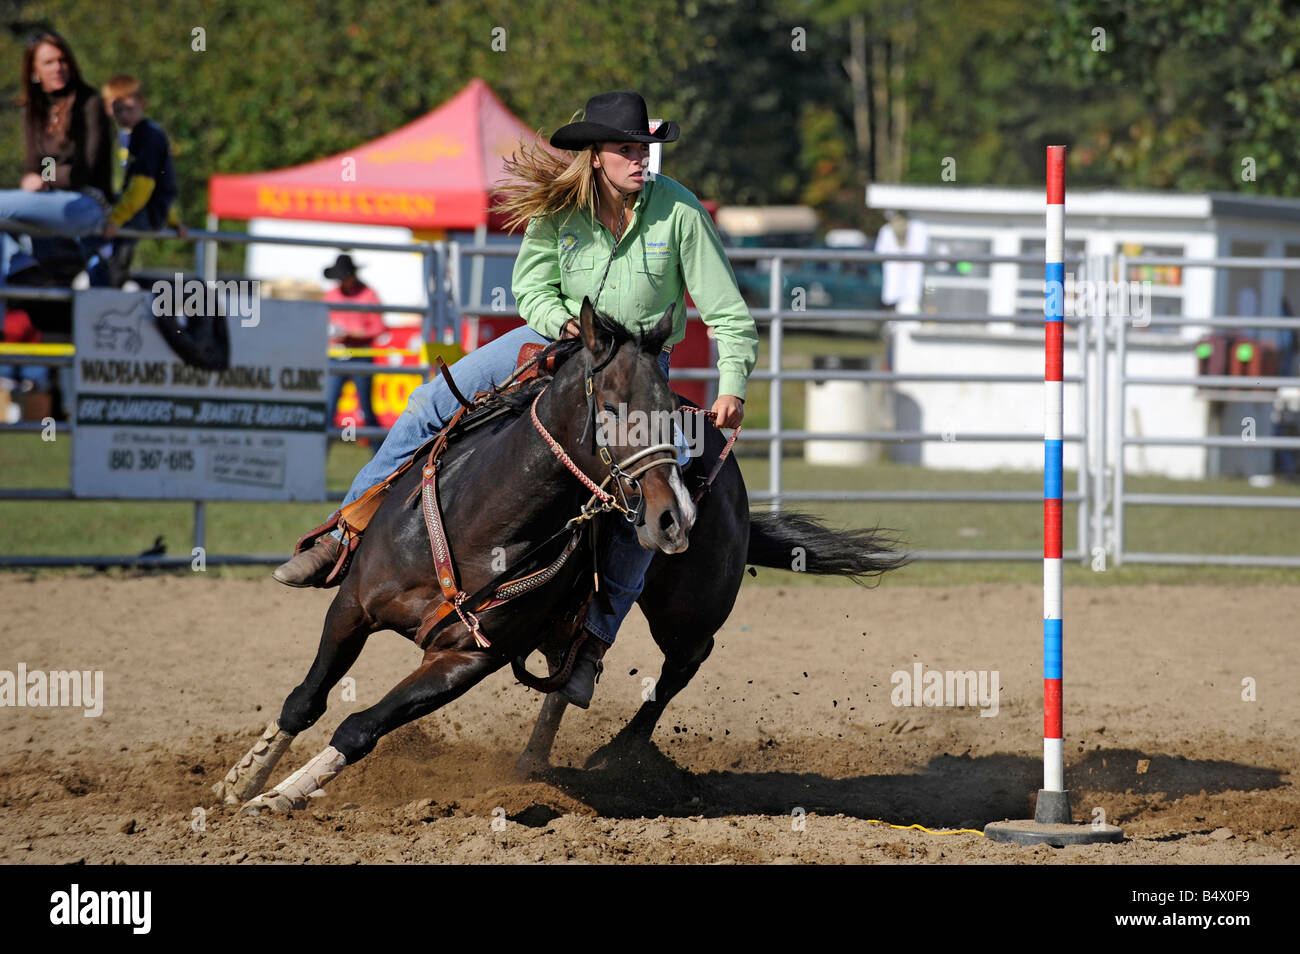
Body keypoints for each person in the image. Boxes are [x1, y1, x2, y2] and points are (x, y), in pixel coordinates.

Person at [273, 91, 758, 708]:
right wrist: (564, 325)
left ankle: (592, 642)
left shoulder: (679, 213)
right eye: (628, 150)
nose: (641, 160)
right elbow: (531, 284)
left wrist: (733, 383)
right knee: (428, 405)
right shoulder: (561, 208)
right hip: (553, 337)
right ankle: (344, 534)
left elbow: (727, 311)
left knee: (644, 497)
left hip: (635, 362)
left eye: (645, 149)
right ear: (595, 157)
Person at [0, 30, 113, 297]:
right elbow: (32, 167)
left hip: (86, 203)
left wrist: (45, 178)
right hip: (50, 203)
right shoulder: (36, 109)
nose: (58, 68)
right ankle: (16, 274)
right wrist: (34, 178)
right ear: (34, 71)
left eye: (62, 60)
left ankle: (20, 265)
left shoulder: (89, 103)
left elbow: (83, 171)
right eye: (49, 62)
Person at [91, 74, 186, 286]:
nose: (123, 116)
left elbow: (144, 186)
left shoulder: (147, 136)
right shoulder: (138, 135)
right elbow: (157, 185)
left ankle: (104, 290)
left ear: (142, 103)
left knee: (94, 238)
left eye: (129, 109)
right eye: (118, 110)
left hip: (145, 214)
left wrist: (116, 219)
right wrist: (172, 220)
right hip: (152, 212)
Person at [322, 253, 384, 435]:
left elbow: (379, 327)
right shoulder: (330, 296)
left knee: (366, 409)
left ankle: (379, 453)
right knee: (329, 409)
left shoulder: (369, 295)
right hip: (337, 356)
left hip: (360, 354)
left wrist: (356, 335)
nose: (342, 282)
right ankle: (318, 454)